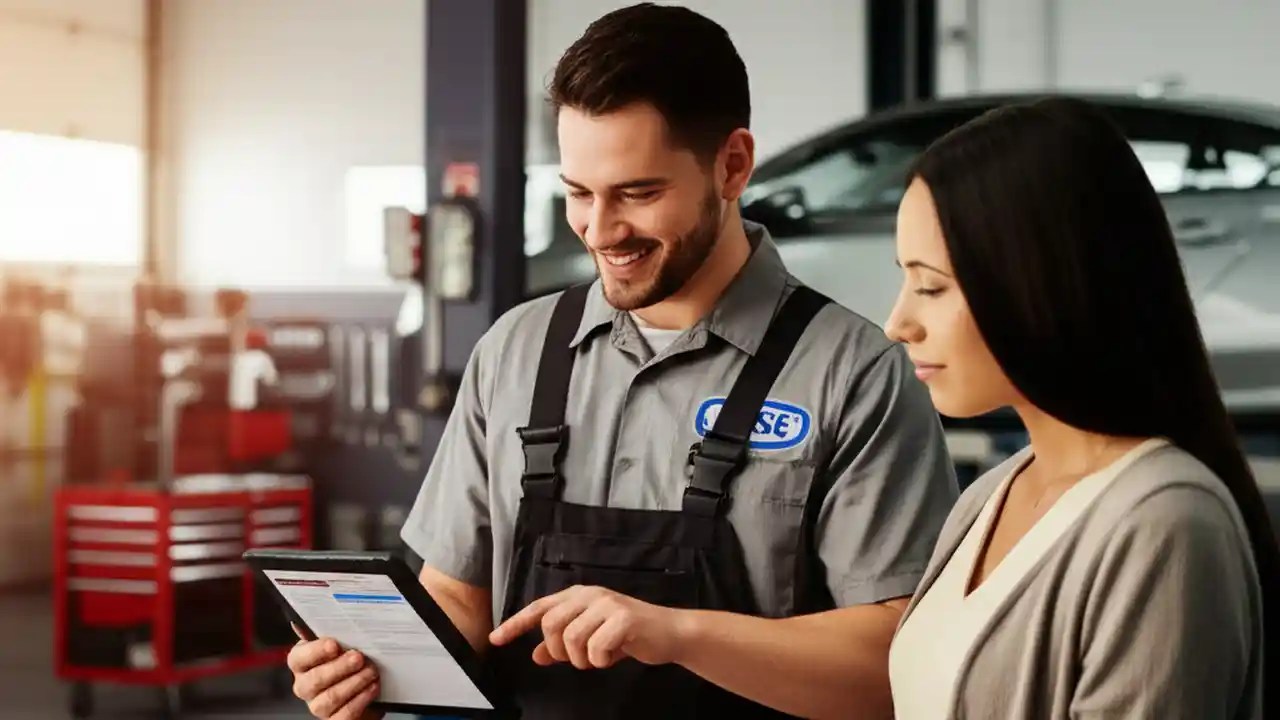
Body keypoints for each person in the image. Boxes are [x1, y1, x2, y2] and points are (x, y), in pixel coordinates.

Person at [286, 4, 957, 719]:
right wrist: (373, 668)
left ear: (732, 165)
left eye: (638, 193)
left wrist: (677, 634)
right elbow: (460, 599)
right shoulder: (515, 352)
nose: (600, 232)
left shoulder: (853, 373)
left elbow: (899, 667)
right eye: (578, 193)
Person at [884, 96, 1279, 719]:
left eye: (930, 285)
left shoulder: (1162, 522)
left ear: (1033, 281)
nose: (898, 322)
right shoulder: (989, 496)